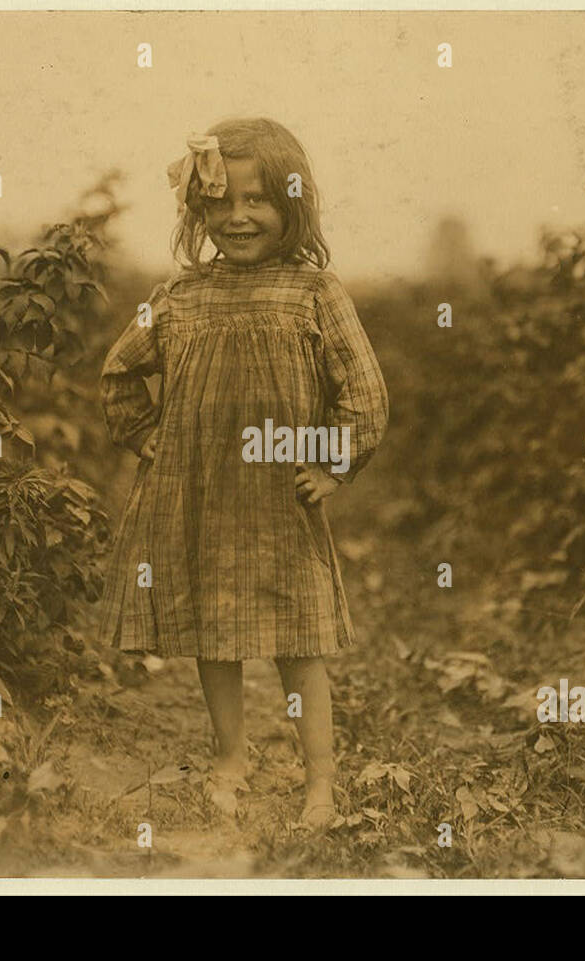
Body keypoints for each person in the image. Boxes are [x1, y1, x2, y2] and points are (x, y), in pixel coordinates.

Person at [98, 118, 388, 828]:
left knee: (299, 640)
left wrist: (333, 466)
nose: (239, 217)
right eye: (221, 203)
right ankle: (231, 756)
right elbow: (118, 374)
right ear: (198, 211)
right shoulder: (178, 297)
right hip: (196, 497)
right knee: (212, 632)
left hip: (278, 500)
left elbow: (366, 394)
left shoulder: (316, 292)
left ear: (293, 205)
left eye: (257, 200)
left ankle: (321, 780)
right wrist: (151, 443)